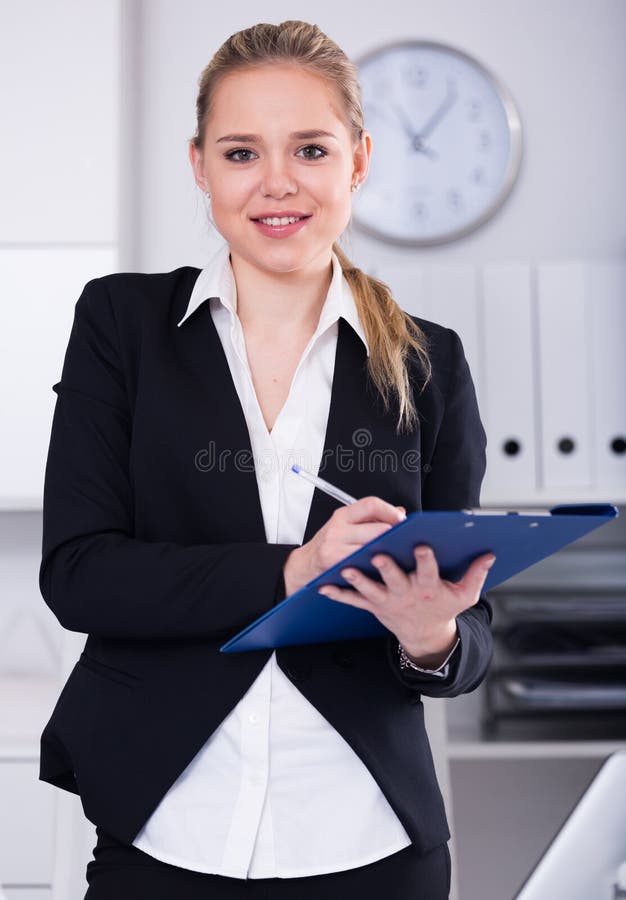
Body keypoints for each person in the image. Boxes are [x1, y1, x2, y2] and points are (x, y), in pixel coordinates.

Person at [38, 19, 494, 900]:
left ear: (358, 162)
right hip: (165, 834)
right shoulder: (122, 328)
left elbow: (473, 635)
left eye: (311, 150)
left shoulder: (429, 362)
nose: (277, 182)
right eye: (241, 153)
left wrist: (430, 633)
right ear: (200, 166)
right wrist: (294, 571)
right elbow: (80, 576)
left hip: (371, 845)